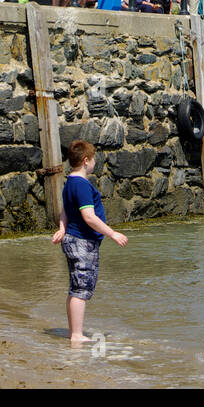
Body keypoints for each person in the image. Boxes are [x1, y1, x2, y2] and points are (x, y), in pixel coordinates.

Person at [50, 140, 127, 345]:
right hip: (82, 242)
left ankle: (74, 331)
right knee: (81, 289)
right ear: (86, 161)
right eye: (93, 159)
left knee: (76, 288)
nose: (94, 163)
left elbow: (66, 210)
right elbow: (89, 217)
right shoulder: (82, 185)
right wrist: (112, 234)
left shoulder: (69, 182)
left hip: (72, 239)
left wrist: (62, 229)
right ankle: (76, 335)